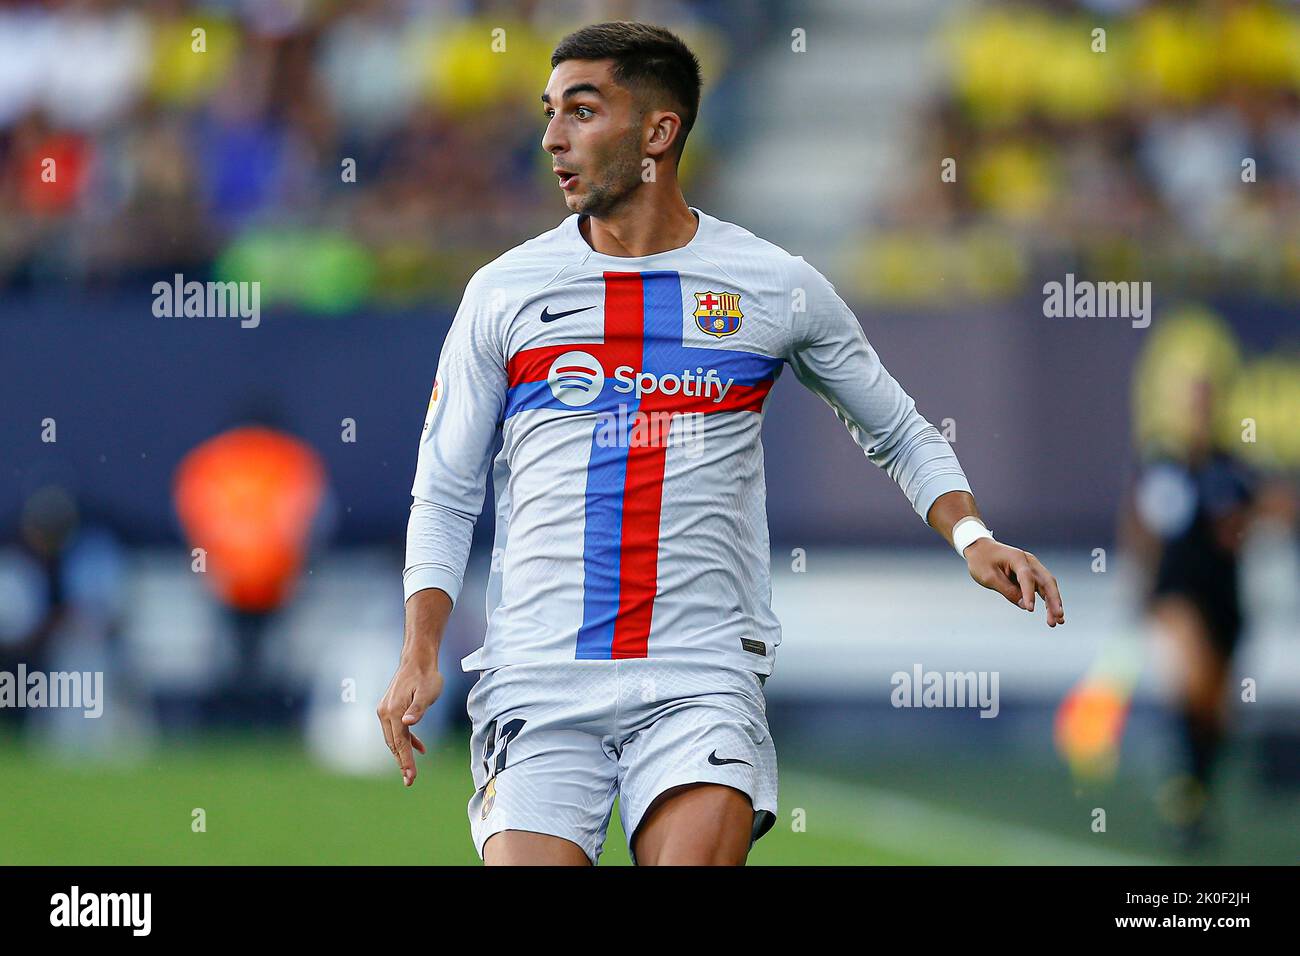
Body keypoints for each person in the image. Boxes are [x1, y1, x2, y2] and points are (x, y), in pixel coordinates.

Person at [378, 21, 1064, 866]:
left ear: (658, 134)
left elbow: (894, 426)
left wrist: (970, 534)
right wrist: (419, 651)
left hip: (699, 675)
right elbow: (446, 488)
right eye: (550, 111)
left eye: (583, 111)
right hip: (539, 675)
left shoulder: (775, 286)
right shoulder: (503, 294)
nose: (553, 137)